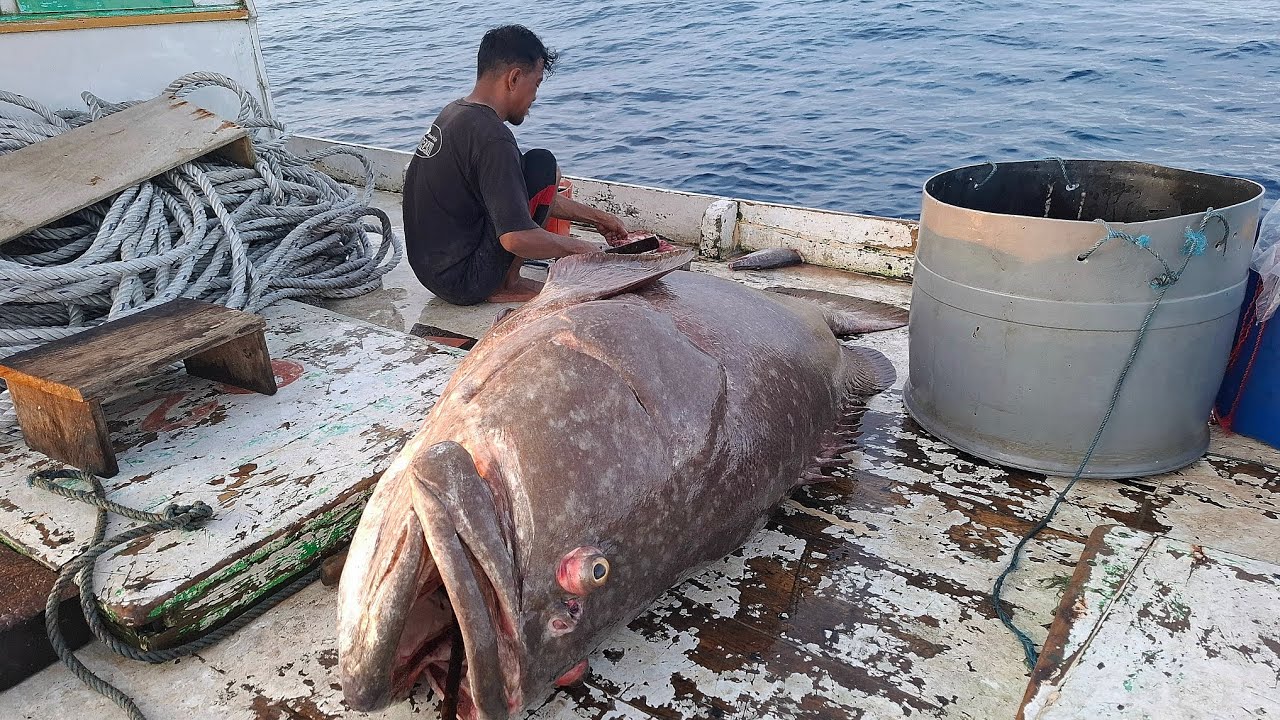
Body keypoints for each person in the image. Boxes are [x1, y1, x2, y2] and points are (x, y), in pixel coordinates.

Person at [402, 25, 628, 305]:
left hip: (432, 272)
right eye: (536, 84)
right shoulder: (493, 138)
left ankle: (504, 276)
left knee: (537, 171)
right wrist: (584, 250)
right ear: (514, 78)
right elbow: (515, 238)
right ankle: (508, 282)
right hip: (465, 281)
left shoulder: (456, 113)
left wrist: (600, 219)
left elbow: (517, 198)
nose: (535, 97)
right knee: (543, 165)